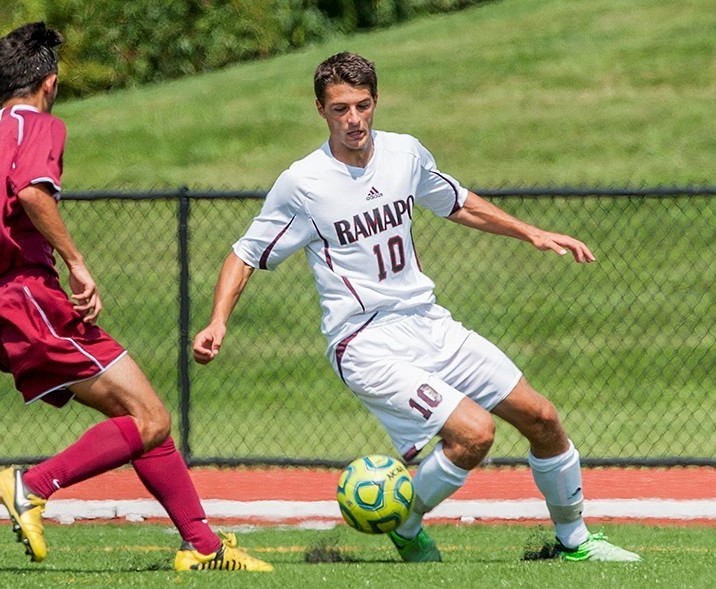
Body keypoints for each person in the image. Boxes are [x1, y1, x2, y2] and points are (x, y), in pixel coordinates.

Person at [193, 52, 640, 563]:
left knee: (541, 417)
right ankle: (405, 524)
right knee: (475, 434)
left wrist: (530, 232)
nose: (354, 119)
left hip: (428, 321)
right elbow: (244, 254)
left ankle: (575, 541)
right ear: (320, 109)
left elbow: (459, 201)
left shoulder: (404, 153)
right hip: (365, 343)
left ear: (376, 101)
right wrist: (217, 321)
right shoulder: (303, 183)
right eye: (340, 109)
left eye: (362, 105)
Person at [0, 22, 272, 572]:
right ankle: (32, 485)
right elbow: (29, 191)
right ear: (49, 83)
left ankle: (205, 548)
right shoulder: (39, 126)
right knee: (148, 418)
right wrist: (76, 264)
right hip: (29, 298)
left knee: (148, 418)